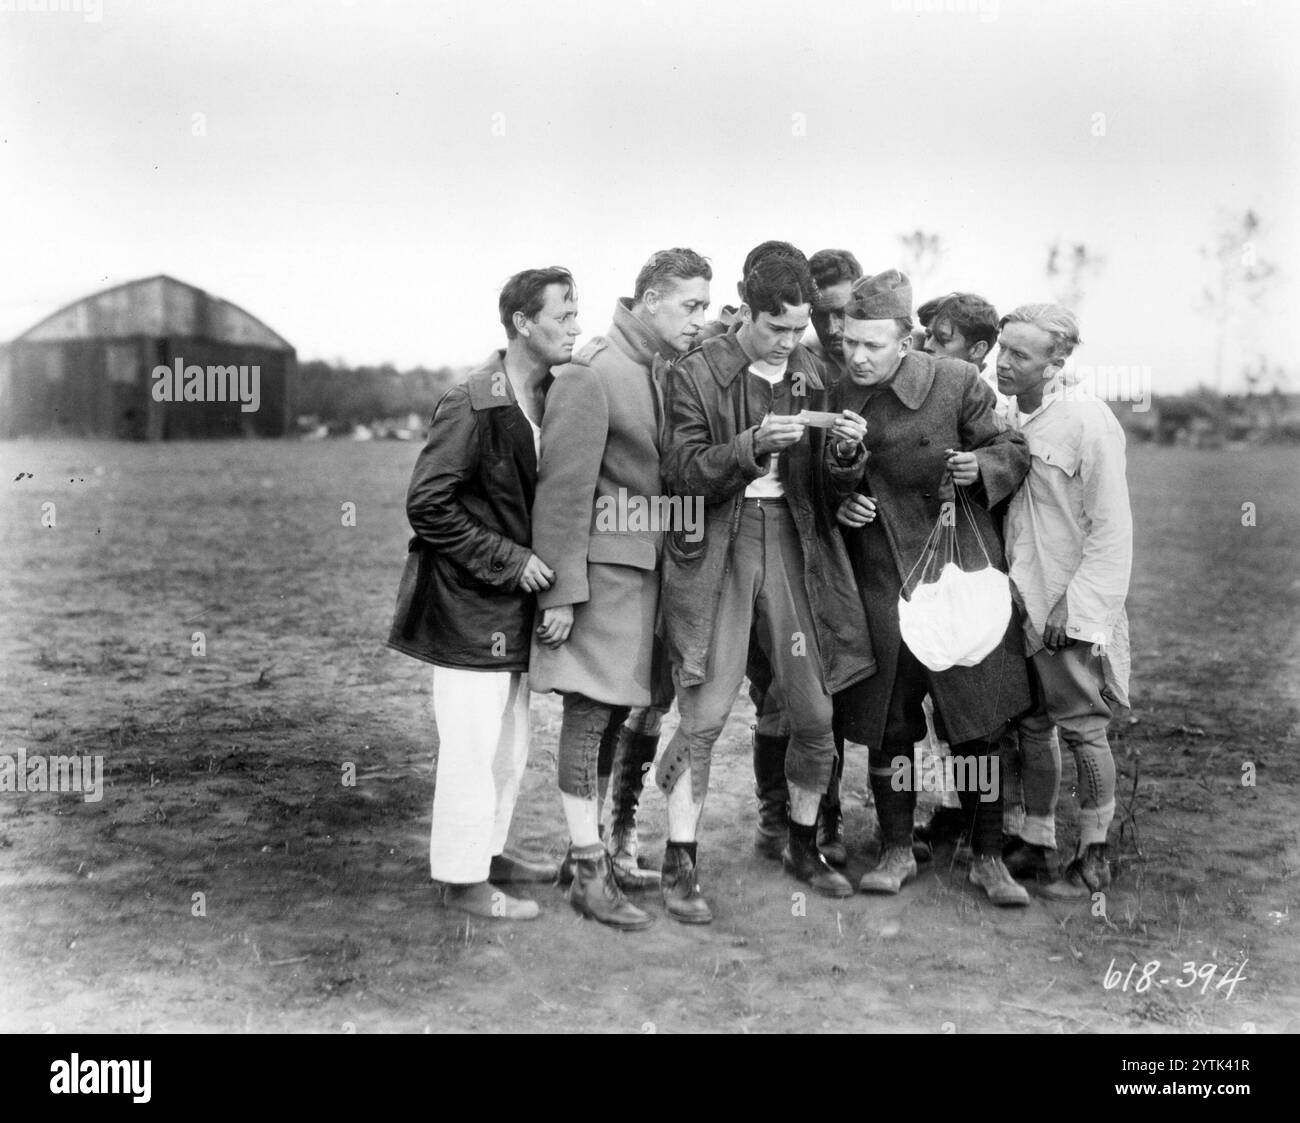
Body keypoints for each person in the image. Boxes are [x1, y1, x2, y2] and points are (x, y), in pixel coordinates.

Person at [658, 255, 876, 923]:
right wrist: (751, 444)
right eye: (777, 327)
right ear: (746, 311)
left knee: (814, 713)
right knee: (704, 712)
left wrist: (846, 456)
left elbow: (831, 488)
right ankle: (679, 859)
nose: (791, 341)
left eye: (800, 327)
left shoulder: (813, 371)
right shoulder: (696, 371)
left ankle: (802, 845)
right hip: (720, 545)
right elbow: (681, 475)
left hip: (793, 542)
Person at [832, 269, 1033, 907]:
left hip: (957, 571)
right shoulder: (836, 393)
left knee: (977, 720)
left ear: (905, 339)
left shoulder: (954, 382)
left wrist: (984, 467)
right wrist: (841, 493)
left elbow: (1012, 445)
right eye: (849, 343)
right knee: (890, 722)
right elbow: (815, 481)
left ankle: (989, 856)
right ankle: (895, 849)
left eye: (874, 345)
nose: (859, 357)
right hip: (881, 575)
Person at [531, 248, 713, 931]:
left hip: (642, 576)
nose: (699, 319)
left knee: (611, 717)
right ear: (649, 299)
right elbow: (562, 493)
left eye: (704, 306)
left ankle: (597, 850)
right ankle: (586, 866)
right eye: (690, 305)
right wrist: (558, 593)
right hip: (600, 580)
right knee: (589, 714)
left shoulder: (654, 367)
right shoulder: (593, 372)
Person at [387, 267, 575, 920]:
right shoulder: (473, 399)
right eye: (563, 316)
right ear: (524, 323)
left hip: (514, 609)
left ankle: (487, 853)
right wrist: (509, 560)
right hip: (466, 609)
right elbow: (427, 503)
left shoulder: (550, 395)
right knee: (470, 748)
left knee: (509, 746)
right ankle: (462, 879)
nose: (575, 328)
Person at [996, 303, 1132, 898]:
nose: (1003, 363)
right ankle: (1037, 838)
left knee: (1082, 726)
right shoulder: (1004, 414)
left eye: (1020, 355)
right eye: (1002, 348)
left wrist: (1074, 608)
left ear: (1058, 361)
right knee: (1030, 723)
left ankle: (1096, 853)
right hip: (1014, 596)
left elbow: (1111, 530)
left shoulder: (1087, 421)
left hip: (1065, 600)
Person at [806, 248, 864, 386]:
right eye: (821, 315)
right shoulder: (801, 369)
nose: (831, 330)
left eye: (841, 313)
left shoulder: (899, 355)